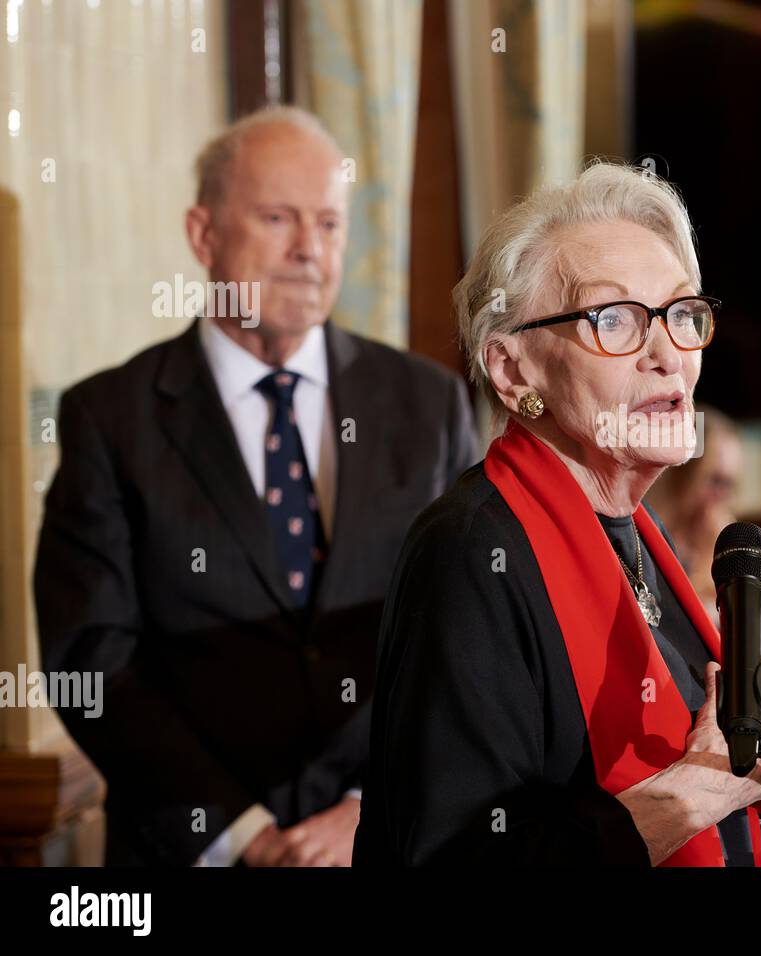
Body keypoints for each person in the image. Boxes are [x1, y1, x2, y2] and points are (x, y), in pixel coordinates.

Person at [34, 106, 478, 866]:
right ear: (203, 235)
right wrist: (240, 835)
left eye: (331, 225)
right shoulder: (110, 417)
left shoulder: (427, 404)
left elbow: (465, 634)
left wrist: (372, 807)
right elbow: (92, 657)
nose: (311, 250)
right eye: (279, 218)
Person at [354, 162, 761, 867]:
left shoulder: (640, 534)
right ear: (513, 372)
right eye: (616, 321)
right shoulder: (471, 549)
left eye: (682, 315)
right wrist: (699, 788)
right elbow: (460, 857)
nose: (669, 356)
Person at [644, 404, 743, 621]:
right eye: (715, 481)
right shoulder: (642, 544)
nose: (724, 497)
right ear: (680, 474)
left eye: (730, 485)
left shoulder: (711, 541)